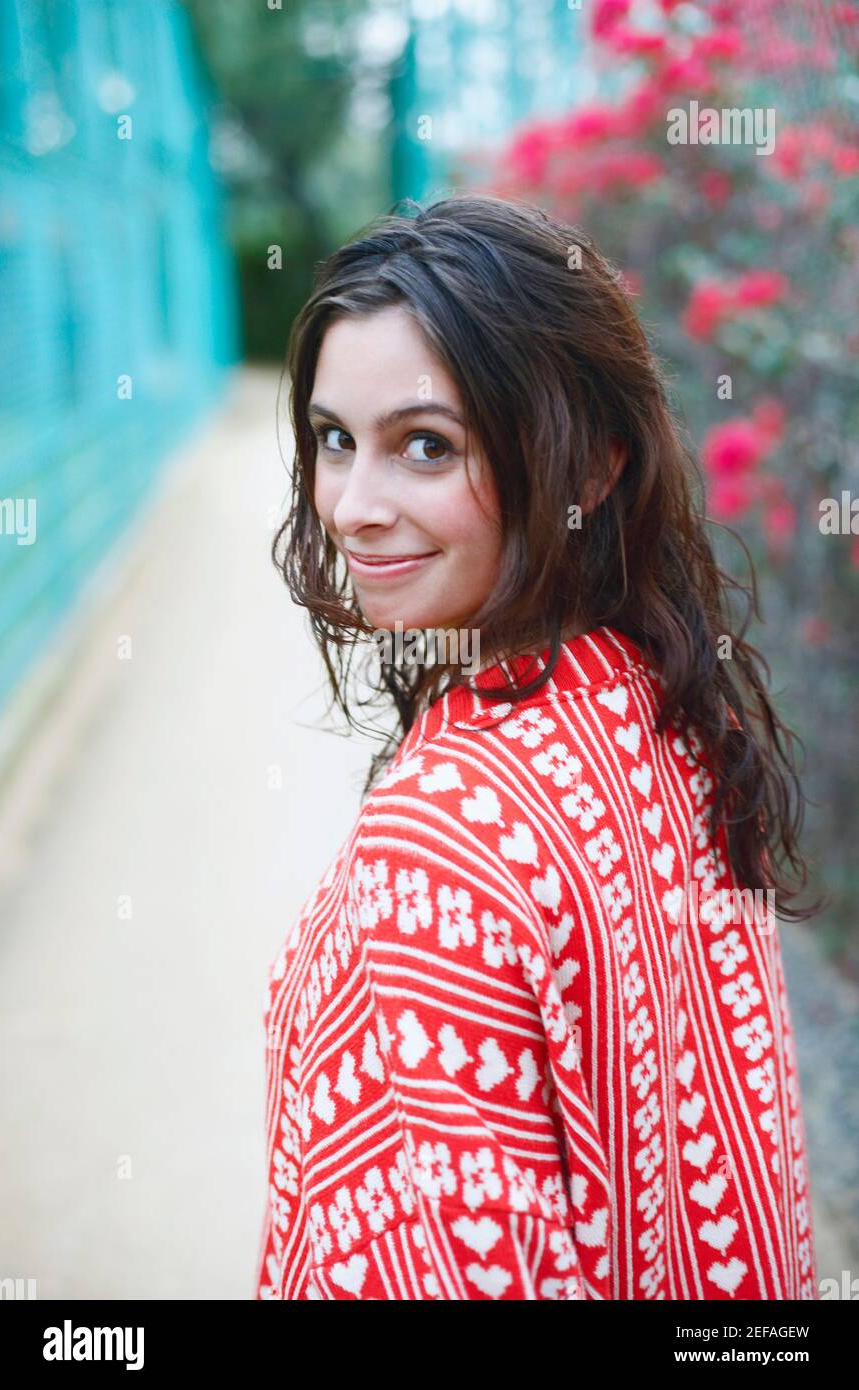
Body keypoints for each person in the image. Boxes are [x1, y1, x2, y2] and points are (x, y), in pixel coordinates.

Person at [254, 193, 821, 1300]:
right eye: (333, 440)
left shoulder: (442, 836)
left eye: (425, 445)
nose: (352, 505)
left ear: (591, 465)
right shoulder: (657, 702)